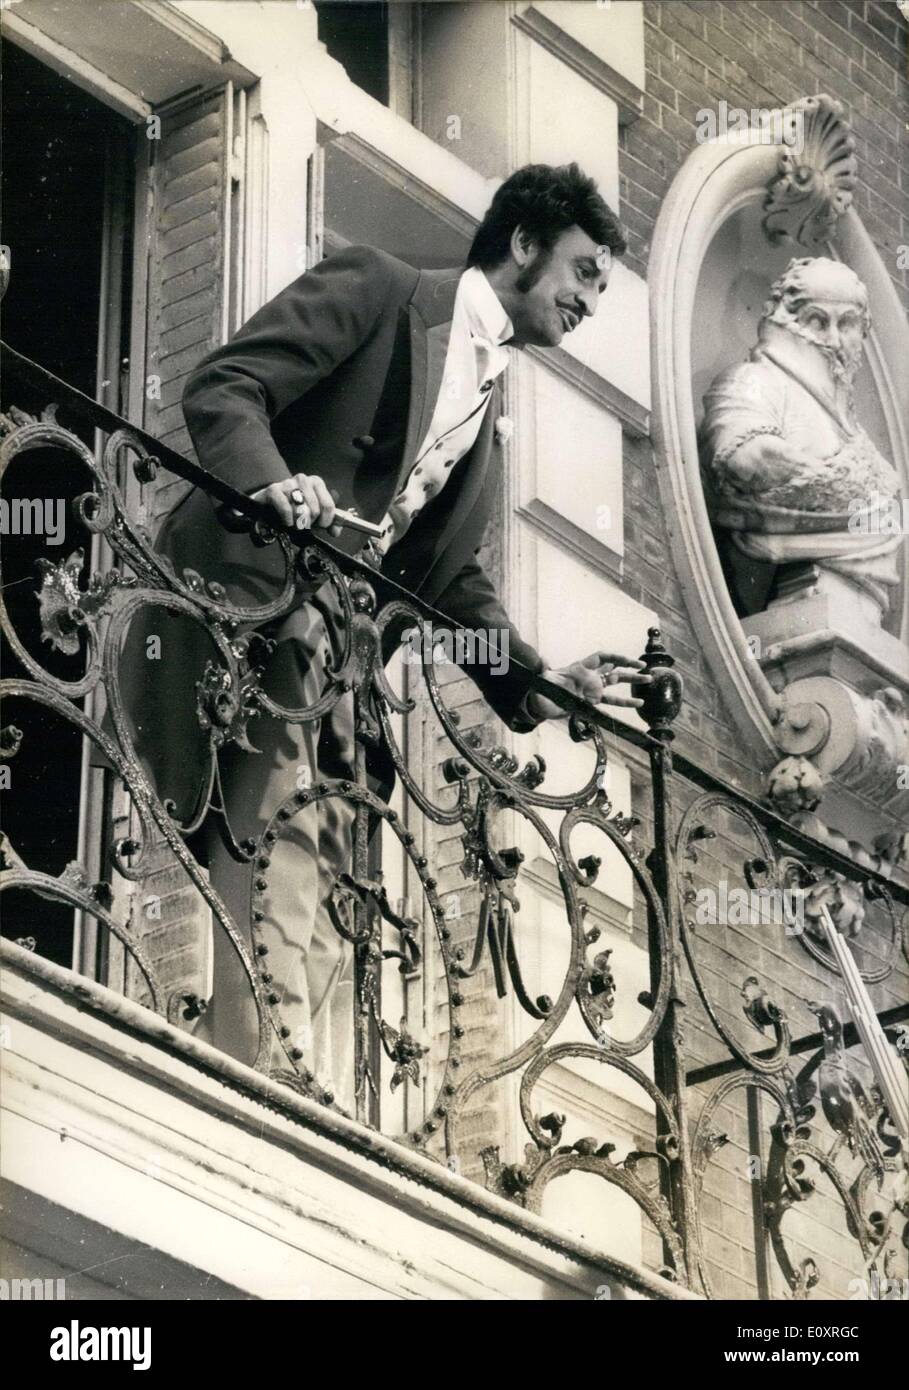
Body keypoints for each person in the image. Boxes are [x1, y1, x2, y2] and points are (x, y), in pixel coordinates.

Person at [153, 162, 649, 1107]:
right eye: (585, 271)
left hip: (344, 659)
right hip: (256, 604)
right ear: (523, 243)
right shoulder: (381, 286)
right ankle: (249, 1067)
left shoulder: (490, 406)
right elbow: (226, 384)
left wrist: (541, 684)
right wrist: (273, 485)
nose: (590, 300)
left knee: (325, 858)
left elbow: (445, 579)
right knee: (265, 833)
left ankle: (272, 1068)